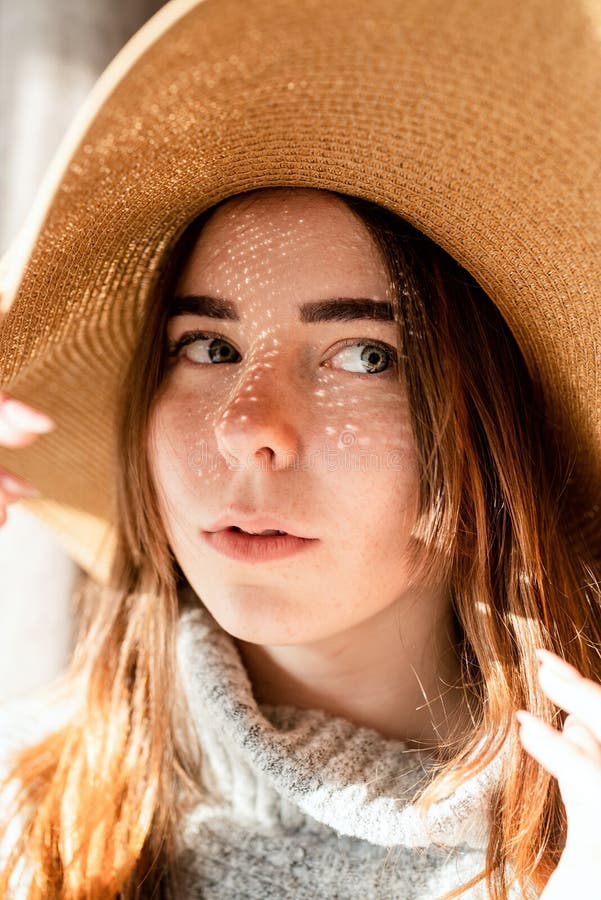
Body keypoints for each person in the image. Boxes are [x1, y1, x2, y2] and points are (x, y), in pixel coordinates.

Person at [0, 1, 599, 898]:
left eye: (364, 355)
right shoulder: (28, 832)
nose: (248, 426)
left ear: (489, 421)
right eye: (208, 346)